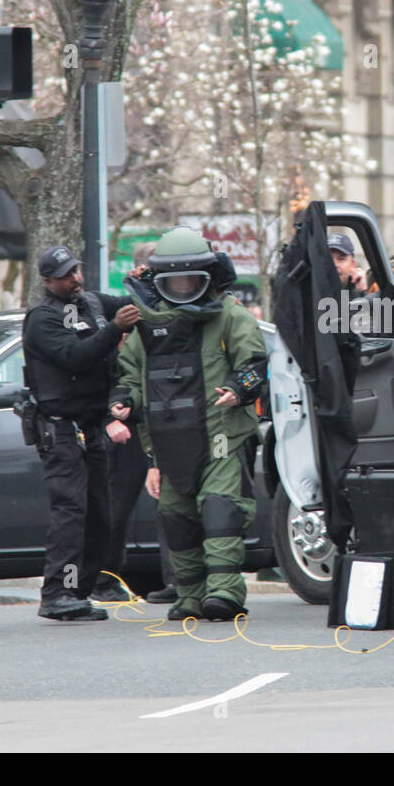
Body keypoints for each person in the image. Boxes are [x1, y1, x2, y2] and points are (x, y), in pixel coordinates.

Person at [109, 228, 267, 622]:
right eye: (173, 281)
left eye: (190, 280)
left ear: (207, 278)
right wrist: (123, 401)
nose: (183, 288)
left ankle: (224, 592)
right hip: (168, 437)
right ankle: (191, 595)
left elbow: (255, 365)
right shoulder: (146, 325)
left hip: (219, 432)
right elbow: (130, 375)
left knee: (220, 509)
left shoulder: (229, 314)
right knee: (176, 519)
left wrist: (238, 389)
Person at [22, 244, 141, 621]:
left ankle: (83, 588)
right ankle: (57, 593)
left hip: (91, 426)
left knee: (98, 512)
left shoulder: (89, 301)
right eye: (65, 275)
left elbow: (126, 302)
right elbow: (76, 356)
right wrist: (116, 330)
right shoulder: (42, 319)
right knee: (70, 511)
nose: (75, 279)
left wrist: (145, 281)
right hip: (59, 428)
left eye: (76, 271)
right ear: (47, 281)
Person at [96, 240, 179, 604]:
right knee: (118, 502)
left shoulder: (178, 309)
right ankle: (104, 577)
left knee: (173, 501)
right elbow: (108, 368)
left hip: (167, 417)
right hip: (130, 420)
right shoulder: (123, 311)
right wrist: (112, 412)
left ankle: (179, 579)